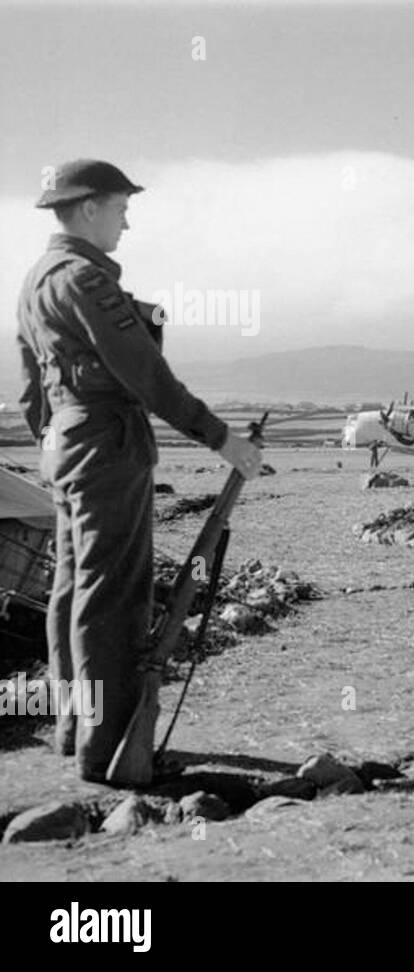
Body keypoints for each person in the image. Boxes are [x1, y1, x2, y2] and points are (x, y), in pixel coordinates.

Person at [15, 159, 262, 785]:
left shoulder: (35, 279)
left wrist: (53, 437)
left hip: (67, 444)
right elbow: (144, 373)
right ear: (89, 207)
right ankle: (109, 749)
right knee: (114, 596)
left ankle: (75, 733)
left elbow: (27, 388)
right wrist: (222, 438)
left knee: (73, 591)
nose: (127, 220)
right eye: (121, 207)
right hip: (107, 445)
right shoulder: (83, 278)